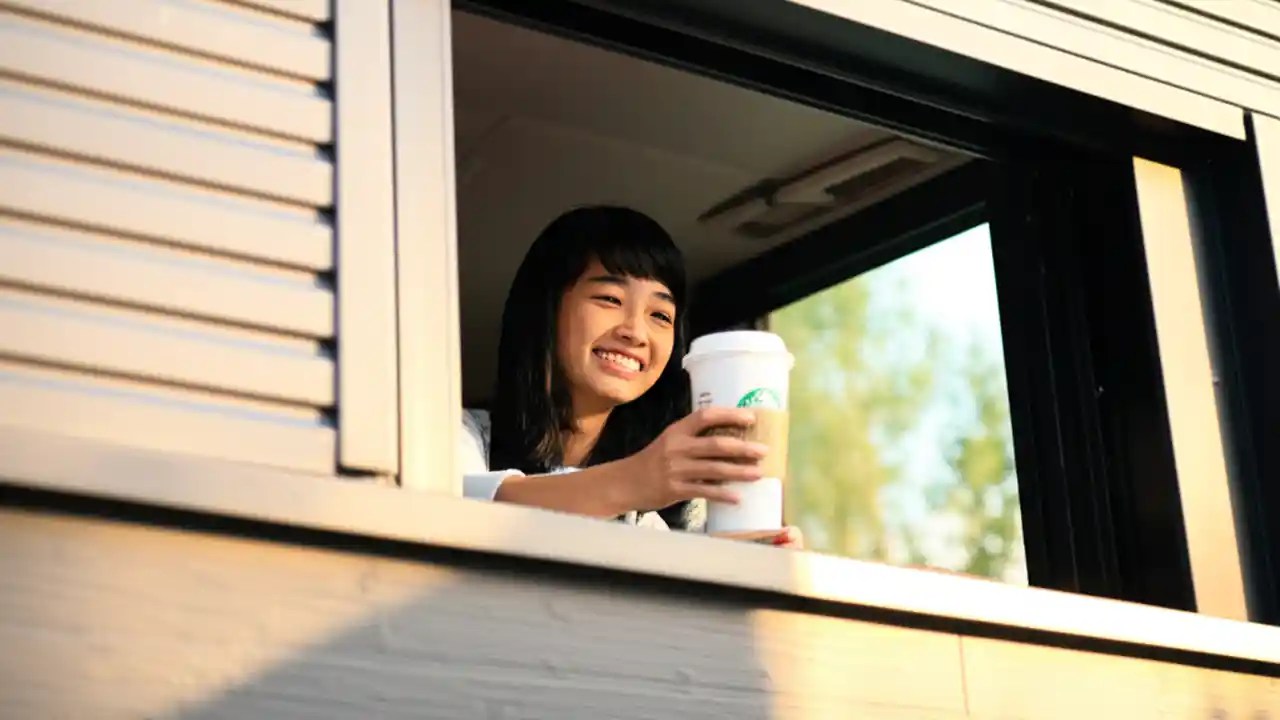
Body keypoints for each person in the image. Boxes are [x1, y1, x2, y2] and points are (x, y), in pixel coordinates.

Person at [461, 206, 802, 548]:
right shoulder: (461, 438)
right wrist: (637, 480)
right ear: (545, 307)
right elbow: (460, 514)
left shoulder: (682, 507)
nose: (636, 332)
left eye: (660, 315)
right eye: (610, 299)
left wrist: (764, 557)